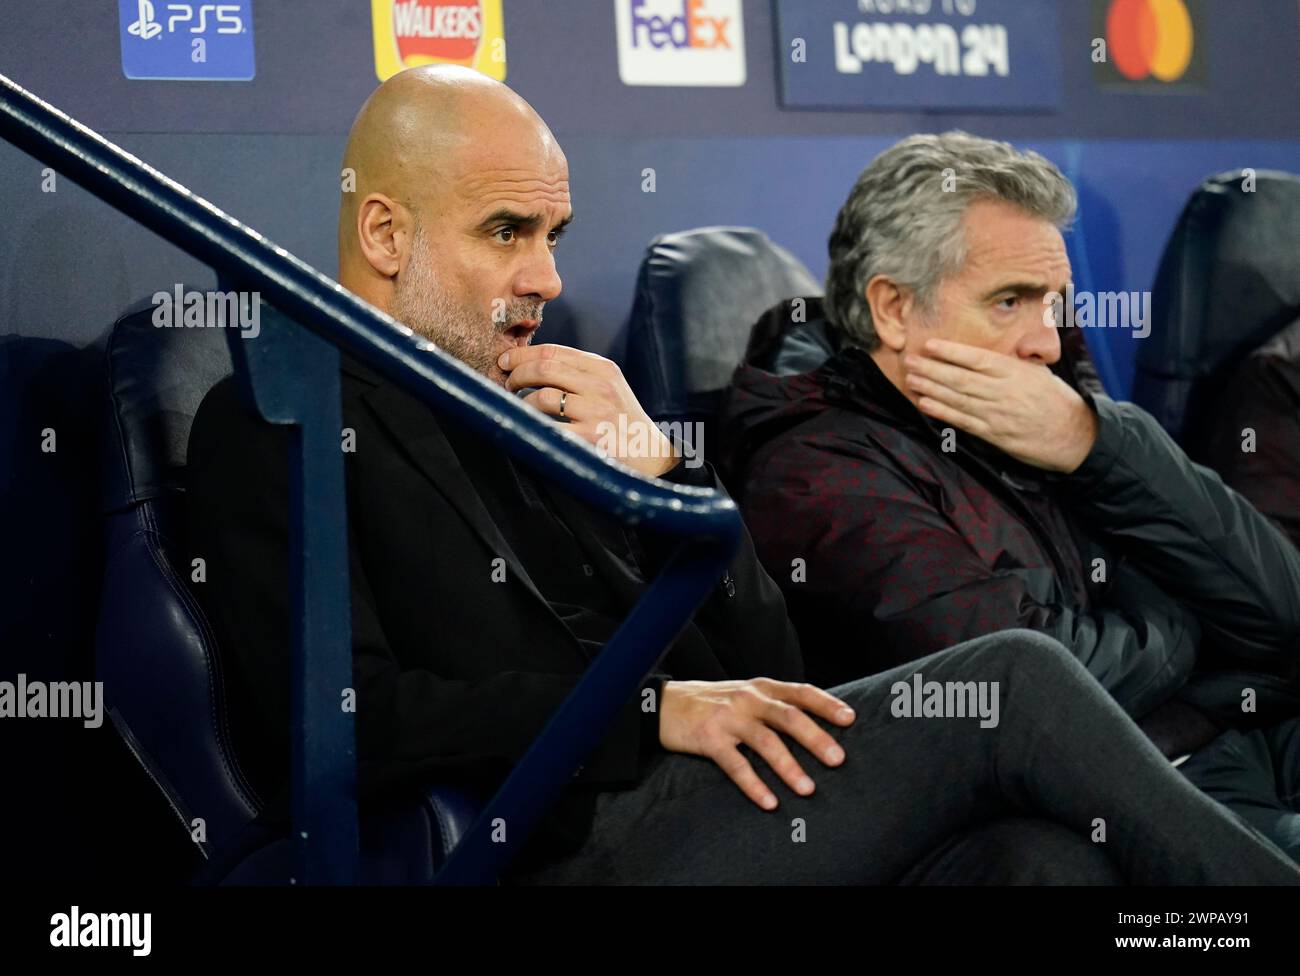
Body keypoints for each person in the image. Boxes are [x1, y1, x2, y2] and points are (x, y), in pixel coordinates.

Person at [186, 73, 1299, 884]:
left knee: (1038, 867)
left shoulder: (543, 407)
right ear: (383, 230)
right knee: (1010, 678)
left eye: (554, 233)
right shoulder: (275, 419)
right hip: (547, 839)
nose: (547, 276)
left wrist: (671, 487)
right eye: (506, 231)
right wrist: (650, 707)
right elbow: (342, 718)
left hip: (714, 810)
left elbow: (770, 672)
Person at [720, 131, 1300, 860]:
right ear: (895, 309)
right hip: (1104, 806)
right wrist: (1189, 617)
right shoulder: (816, 472)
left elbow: (1281, 610)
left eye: (1054, 303)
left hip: (1241, 744)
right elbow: (1034, 698)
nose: (1047, 343)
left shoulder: (1066, 412)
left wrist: (1104, 444)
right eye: (1009, 301)